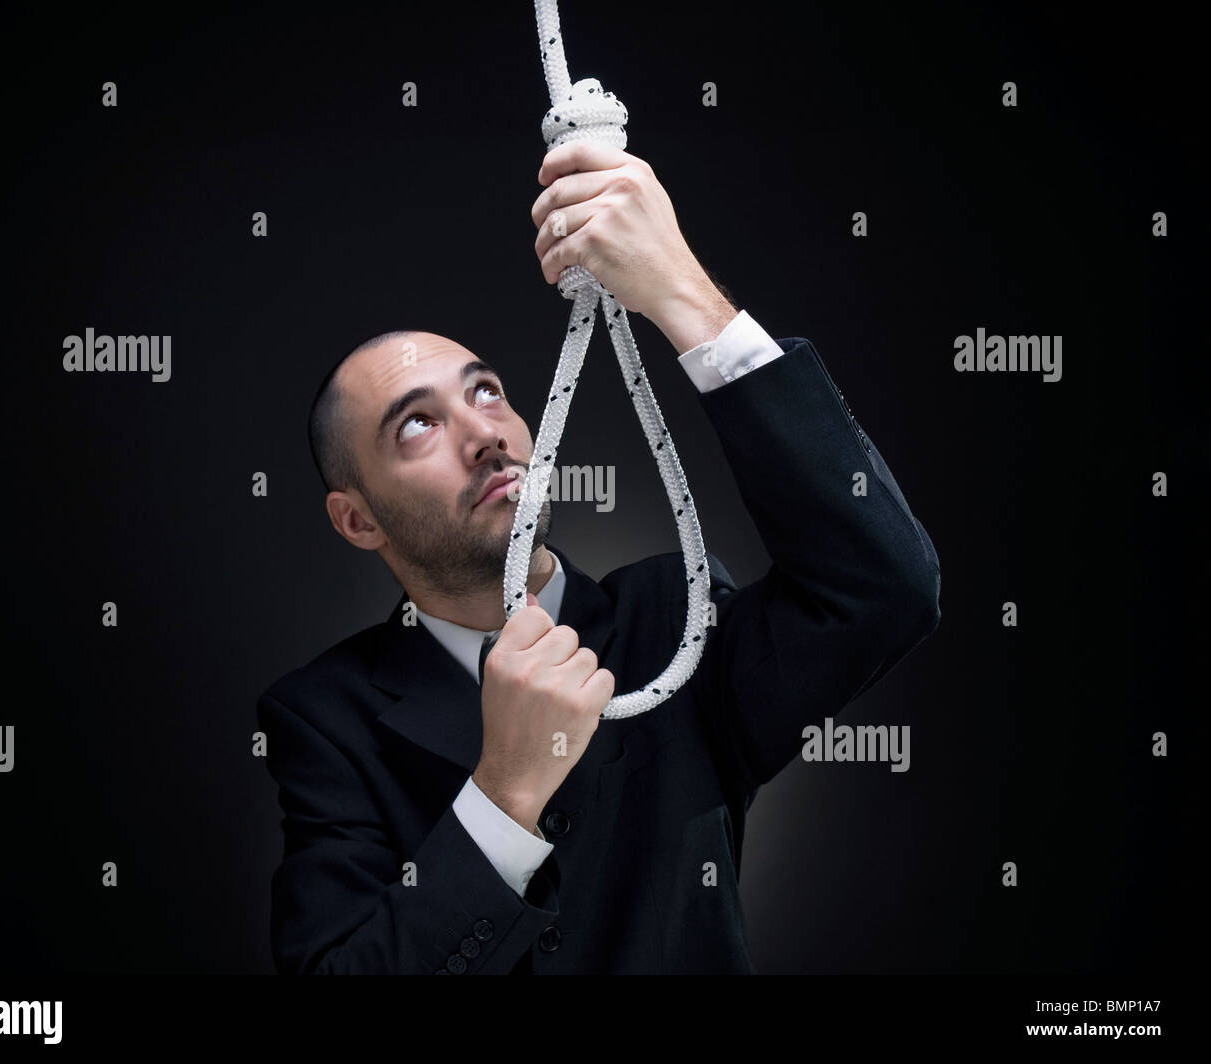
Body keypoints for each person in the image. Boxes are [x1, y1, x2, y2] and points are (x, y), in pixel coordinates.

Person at [256, 141, 941, 973]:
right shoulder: (325, 718)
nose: (484, 435)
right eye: (418, 424)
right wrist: (505, 792)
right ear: (357, 521)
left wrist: (681, 293)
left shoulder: (674, 626)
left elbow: (885, 589)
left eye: (486, 392)